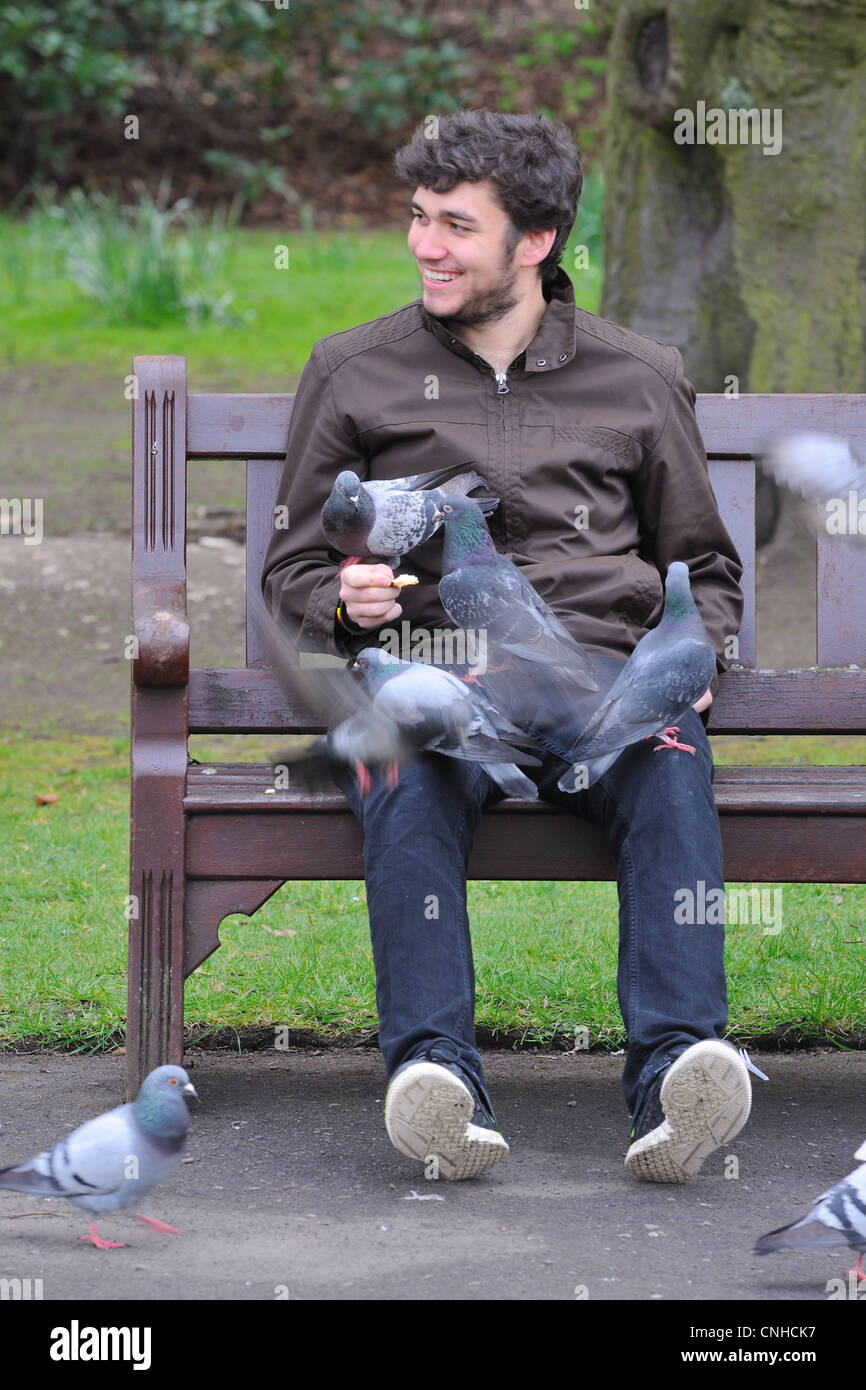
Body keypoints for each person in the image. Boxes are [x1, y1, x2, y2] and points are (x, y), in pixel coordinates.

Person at [262, 109, 753, 1184]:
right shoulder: (355, 372)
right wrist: (343, 600)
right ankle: (435, 1083)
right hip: (439, 674)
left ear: (532, 242)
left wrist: (698, 651)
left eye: (453, 224)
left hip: (602, 678)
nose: (421, 244)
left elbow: (703, 566)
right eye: (416, 217)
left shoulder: (635, 374)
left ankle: (679, 1079)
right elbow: (290, 573)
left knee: (668, 770)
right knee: (406, 772)